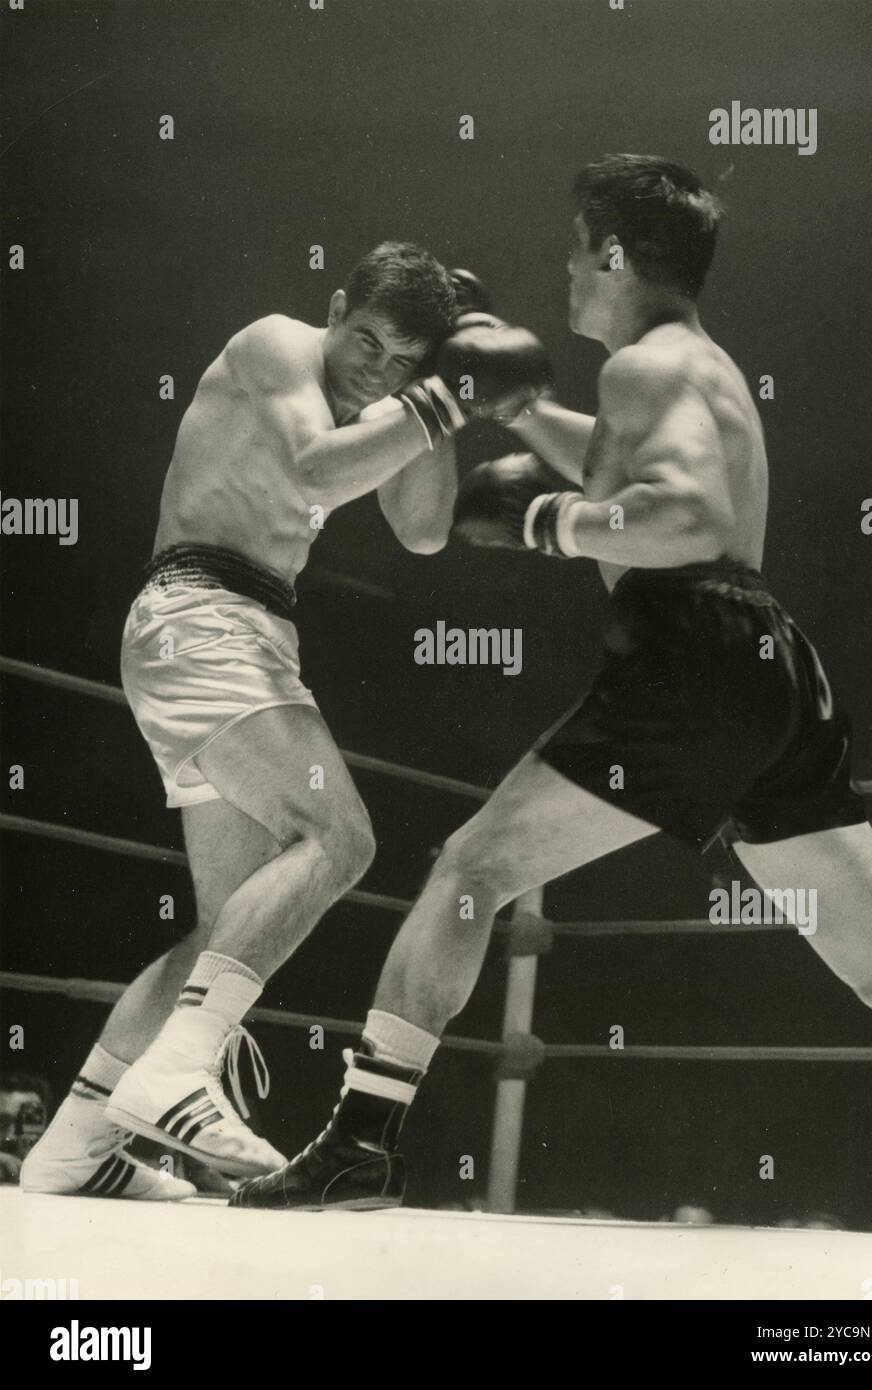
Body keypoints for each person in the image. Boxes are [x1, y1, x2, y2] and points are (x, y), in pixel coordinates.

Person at [230, 155, 872, 1212]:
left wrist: (541, 525)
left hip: (692, 653)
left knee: (470, 868)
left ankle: (360, 1141)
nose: (565, 268)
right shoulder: (696, 365)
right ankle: (362, 1145)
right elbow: (627, 463)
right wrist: (515, 410)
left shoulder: (645, 369)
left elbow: (685, 514)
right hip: (769, 666)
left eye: (574, 246)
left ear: (613, 254)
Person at [21, 243, 551, 1200]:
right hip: (200, 617)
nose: (376, 371)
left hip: (246, 633)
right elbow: (313, 472)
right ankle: (177, 1074)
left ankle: (78, 1149)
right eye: (368, 342)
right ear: (336, 306)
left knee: (220, 930)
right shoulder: (274, 346)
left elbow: (423, 529)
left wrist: (446, 397)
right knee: (338, 837)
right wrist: (434, 396)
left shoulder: (387, 399)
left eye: (403, 361)